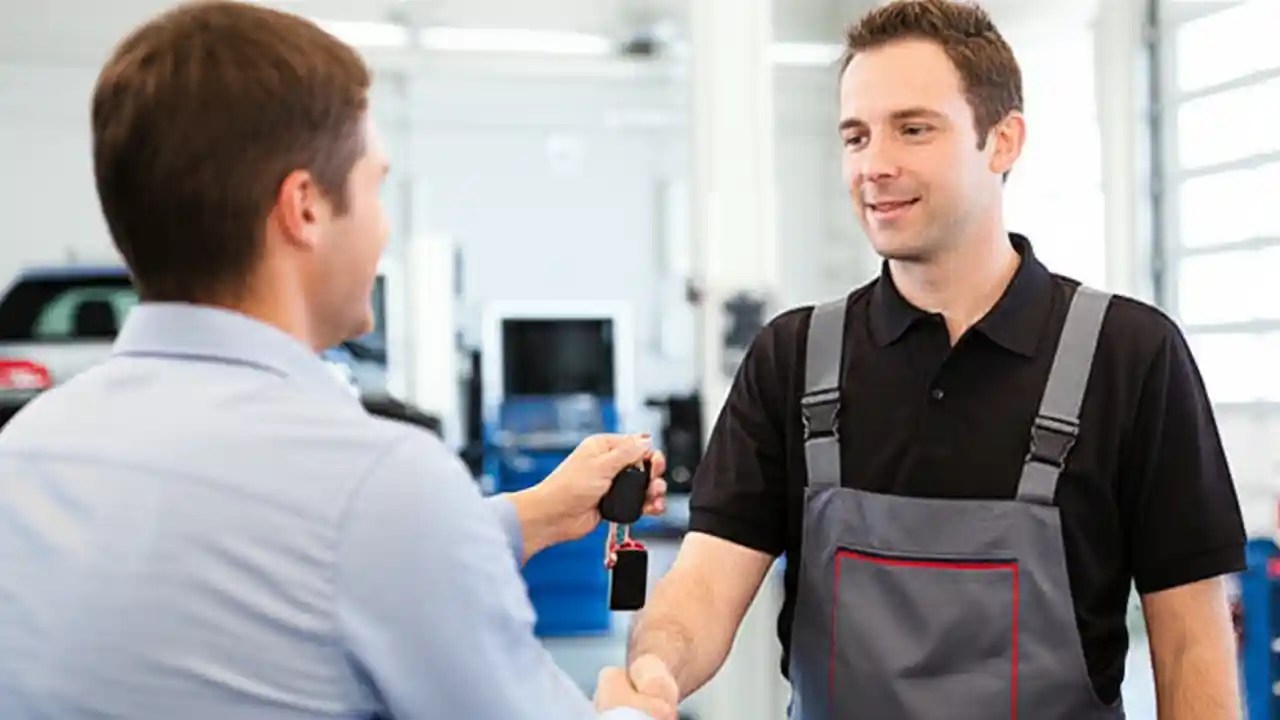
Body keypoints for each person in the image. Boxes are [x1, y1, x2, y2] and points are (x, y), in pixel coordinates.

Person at [0, 2, 673, 719]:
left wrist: (531, 513)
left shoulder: (27, 456)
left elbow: (293, 566)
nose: (383, 225)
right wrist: (635, 712)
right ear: (305, 208)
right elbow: (358, 537)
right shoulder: (381, 485)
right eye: (375, 186)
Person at [625, 1, 1246, 718]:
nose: (875, 165)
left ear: (1003, 141)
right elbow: (704, 585)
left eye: (913, 129)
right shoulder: (790, 361)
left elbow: (1189, 646)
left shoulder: (1130, 356)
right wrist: (655, 670)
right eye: (855, 136)